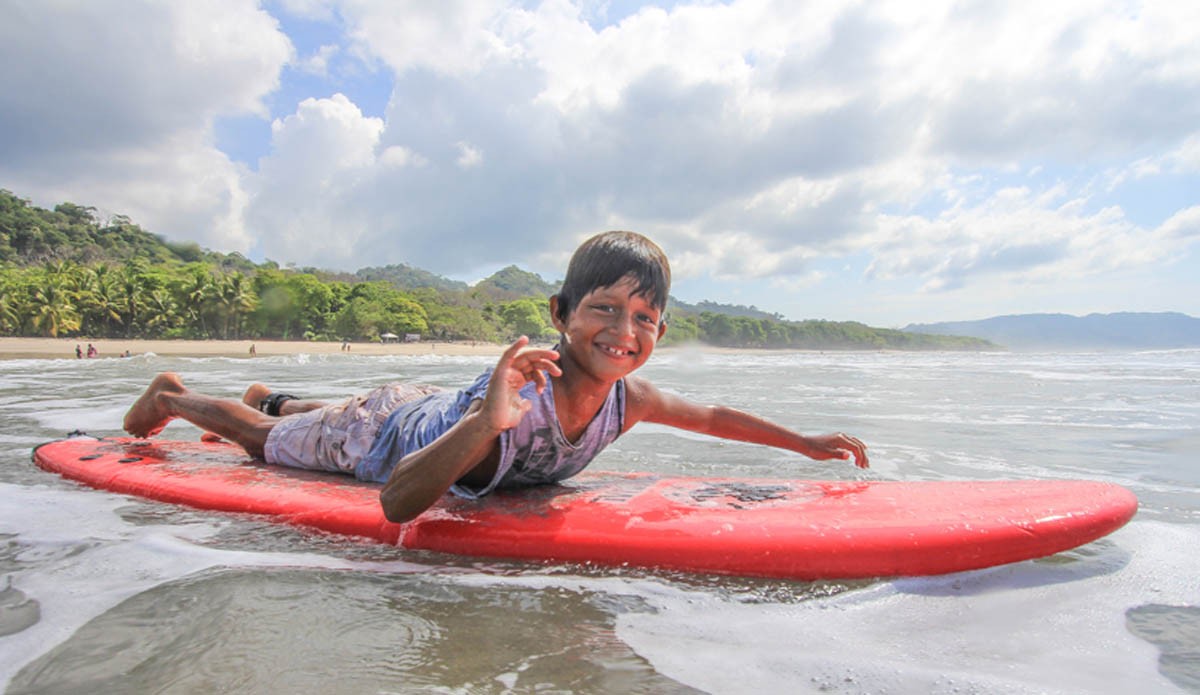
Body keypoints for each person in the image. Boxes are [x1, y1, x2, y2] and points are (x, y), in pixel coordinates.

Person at [123, 231, 868, 523]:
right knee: (261, 442)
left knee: (312, 415)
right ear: (560, 312)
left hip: (422, 406)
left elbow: (710, 415)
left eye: (644, 317)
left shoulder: (628, 396)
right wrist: (486, 419)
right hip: (381, 433)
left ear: (661, 331)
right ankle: (173, 394)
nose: (623, 332)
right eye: (604, 309)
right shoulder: (525, 391)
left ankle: (281, 397)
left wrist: (802, 443)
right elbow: (395, 502)